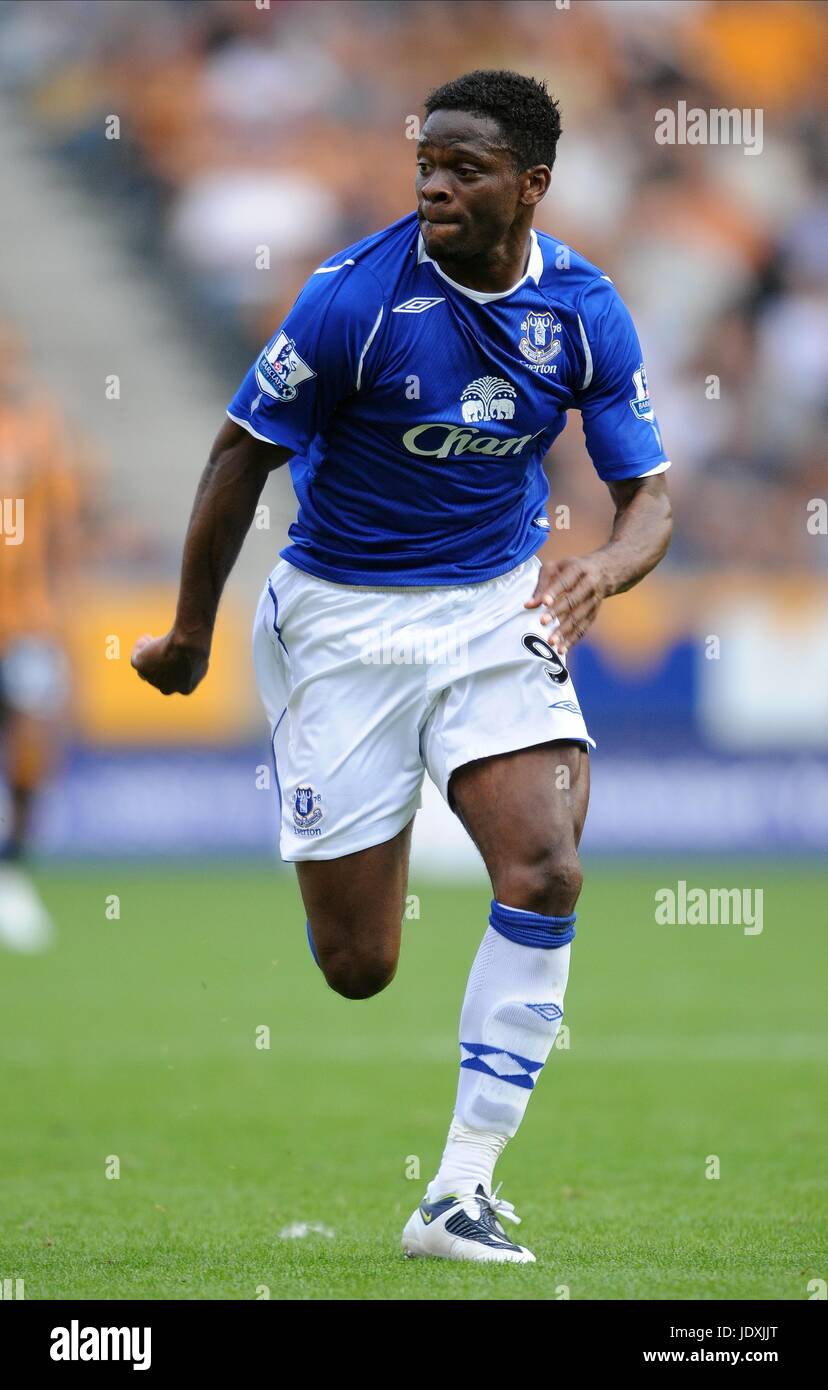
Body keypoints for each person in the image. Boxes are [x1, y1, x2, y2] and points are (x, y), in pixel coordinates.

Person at [132, 69, 673, 1263]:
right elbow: (235, 459)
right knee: (358, 965)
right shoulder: (352, 301)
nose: (434, 182)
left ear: (531, 185)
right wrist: (189, 633)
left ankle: (459, 1192)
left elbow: (650, 498)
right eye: (427, 161)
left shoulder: (583, 308)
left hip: (493, 609)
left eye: (466, 168)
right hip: (343, 622)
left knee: (545, 866)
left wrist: (607, 571)